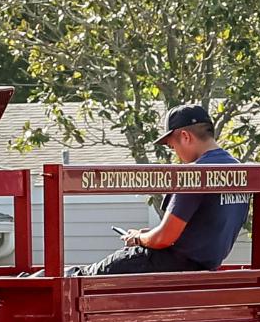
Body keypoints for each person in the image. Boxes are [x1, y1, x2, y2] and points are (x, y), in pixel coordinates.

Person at [76, 104, 249, 275]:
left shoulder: (195, 174)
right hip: (204, 267)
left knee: (80, 277)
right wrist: (149, 234)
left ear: (185, 136)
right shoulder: (243, 172)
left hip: (169, 265)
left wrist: (137, 238)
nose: (177, 154)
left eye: (173, 147)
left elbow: (163, 238)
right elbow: (202, 228)